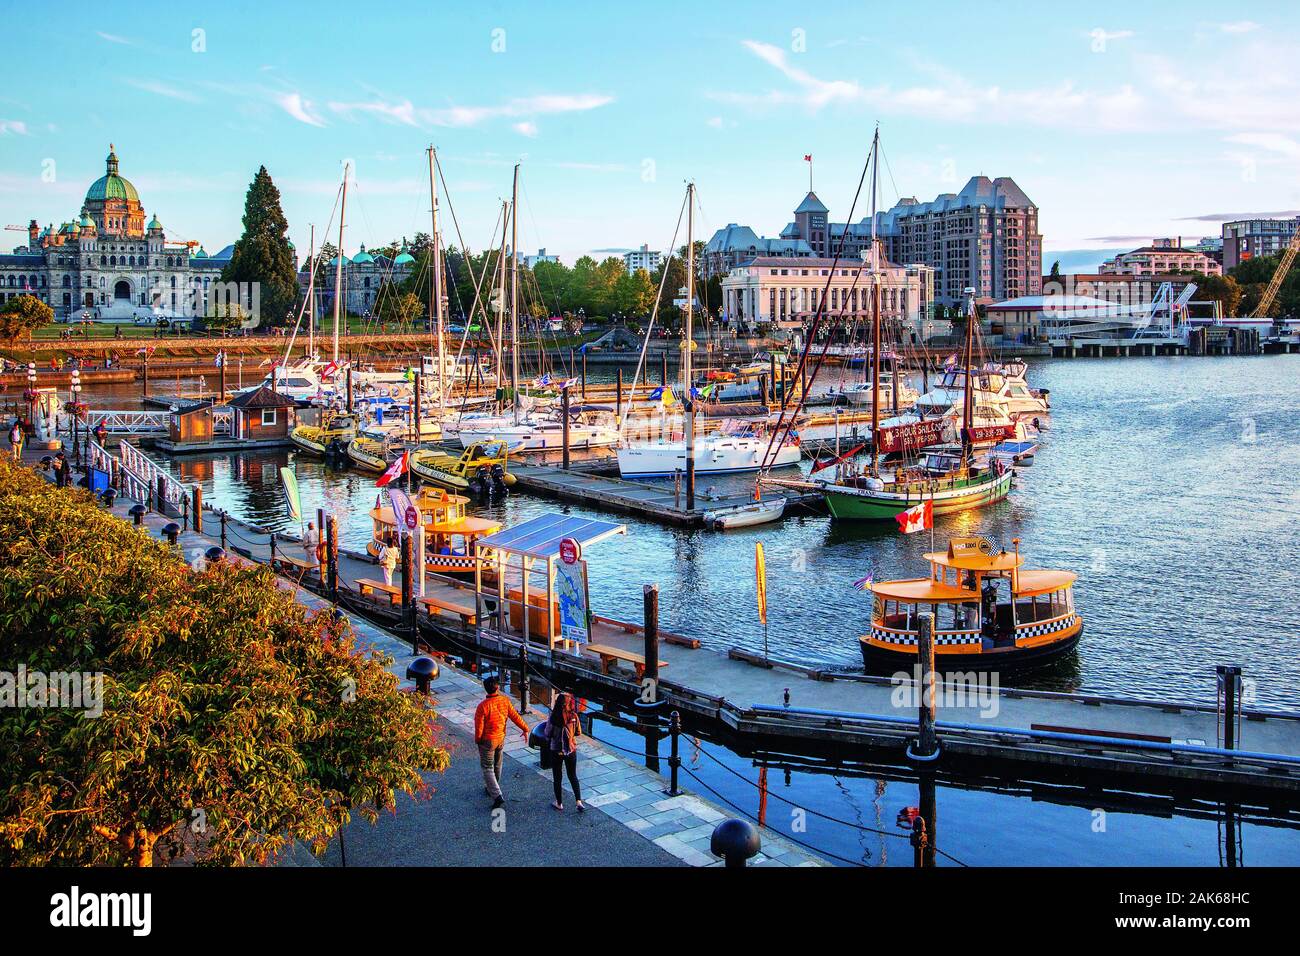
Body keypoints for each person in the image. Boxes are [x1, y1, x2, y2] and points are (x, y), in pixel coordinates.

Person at [473, 676, 529, 810]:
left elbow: (479, 726)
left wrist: (478, 740)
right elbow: (515, 716)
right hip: (501, 737)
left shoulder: (483, 706)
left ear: (486, 689)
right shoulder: (505, 701)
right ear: (497, 687)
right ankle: (493, 786)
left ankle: (497, 795)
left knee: (487, 767)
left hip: (487, 739)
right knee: (498, 763)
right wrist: (525, 729)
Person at [545, 692, 585, 813]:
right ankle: (578, 801)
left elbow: (547, 733)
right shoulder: (573, 716)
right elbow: (578, 732)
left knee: (557, 777)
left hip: (556, 750)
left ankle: (559, 803)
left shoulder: (553, 717)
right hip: (571, 750)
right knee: (572, 775)